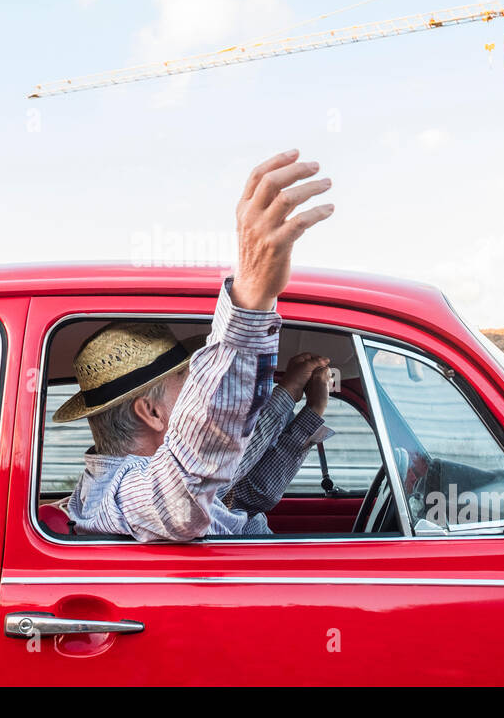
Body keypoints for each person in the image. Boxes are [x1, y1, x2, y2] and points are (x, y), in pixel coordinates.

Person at [53, 150, 334, 540]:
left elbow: (247, 489)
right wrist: (250, 297)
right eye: (189, 378)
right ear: (151, 411)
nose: (203, 389)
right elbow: (179, 492)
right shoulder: (118, 492)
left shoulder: (132, 479)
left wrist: (308, 408)